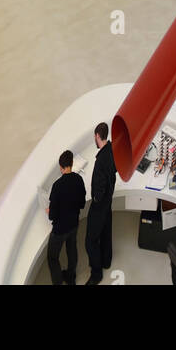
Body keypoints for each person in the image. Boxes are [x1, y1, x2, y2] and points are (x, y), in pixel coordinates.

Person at [47, 151, 86, 286]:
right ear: (72, 163)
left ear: (61, 167)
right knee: (71, 249)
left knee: (52, 258)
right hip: (74, 224)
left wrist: (49, 210)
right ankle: (71, 277)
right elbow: (81, 204)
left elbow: (52, 215)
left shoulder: (57, 186)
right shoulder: (78, 180)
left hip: (59, 230)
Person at [85, 122, 117, 284]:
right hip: (108, 203)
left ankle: (96, 274)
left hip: (99, 206)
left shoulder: (100, 161)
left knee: (90, 241)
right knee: (106, 232)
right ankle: (106, 261)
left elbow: (99, 189)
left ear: (98, 136)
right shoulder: (112, 150)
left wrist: (96, 199)